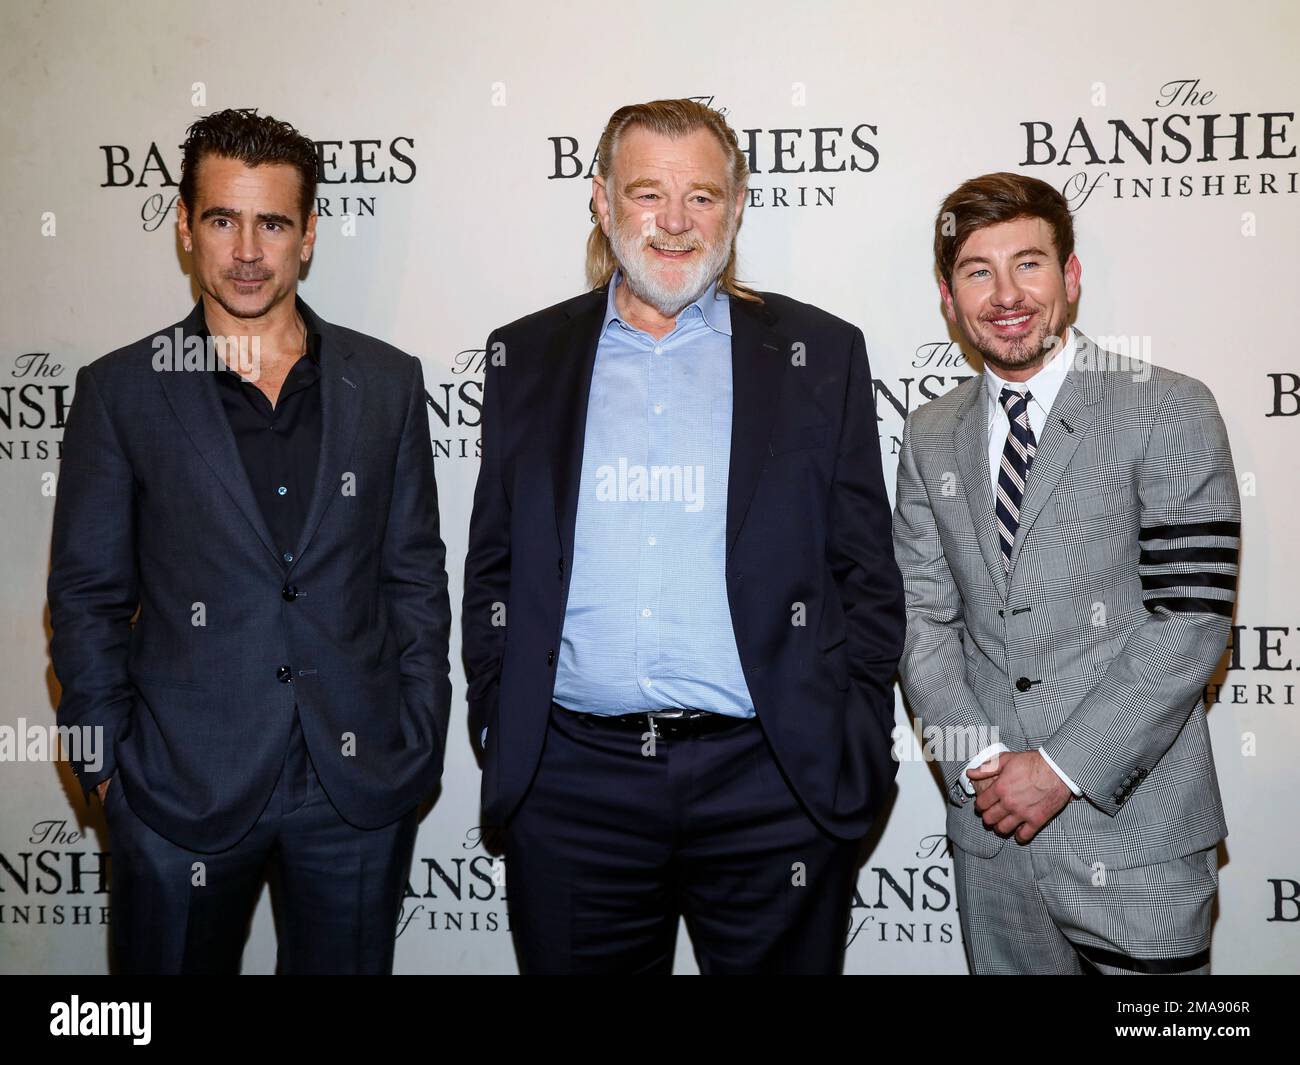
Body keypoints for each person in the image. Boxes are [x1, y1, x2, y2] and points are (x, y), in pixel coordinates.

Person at [463, 98, 904, 974]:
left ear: (737, 206)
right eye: (646, 193)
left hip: (772, 782)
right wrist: (501, 722)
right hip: (573, 787)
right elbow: (496, 567)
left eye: (701, 196)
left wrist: (846, 731)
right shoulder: (526, 354)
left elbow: (865, 573)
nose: (673, 222)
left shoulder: (820, 352)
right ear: (600, 200)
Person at [47, 108, 451, 974]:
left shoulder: (385, 382)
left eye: (272, 222)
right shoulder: (121, 392)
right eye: (223, 219)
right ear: (186, 227)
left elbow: (413, 575)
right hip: (174, 786)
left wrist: (418, 734)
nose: (246, 250)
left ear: (308, 235)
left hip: (355, 782)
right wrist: (109, 772)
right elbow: (85, 599)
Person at [894, 171, 1238, 974]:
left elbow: (1191, 622)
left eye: (1030, 264)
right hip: (992, 840)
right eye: (977, 270)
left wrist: (1057, 770)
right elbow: (920, 613)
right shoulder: (930, 433)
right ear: (949, 297)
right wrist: (981, 761)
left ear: (1070, 277)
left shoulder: (1168, 406)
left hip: (1138, 837)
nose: (1006, 293)